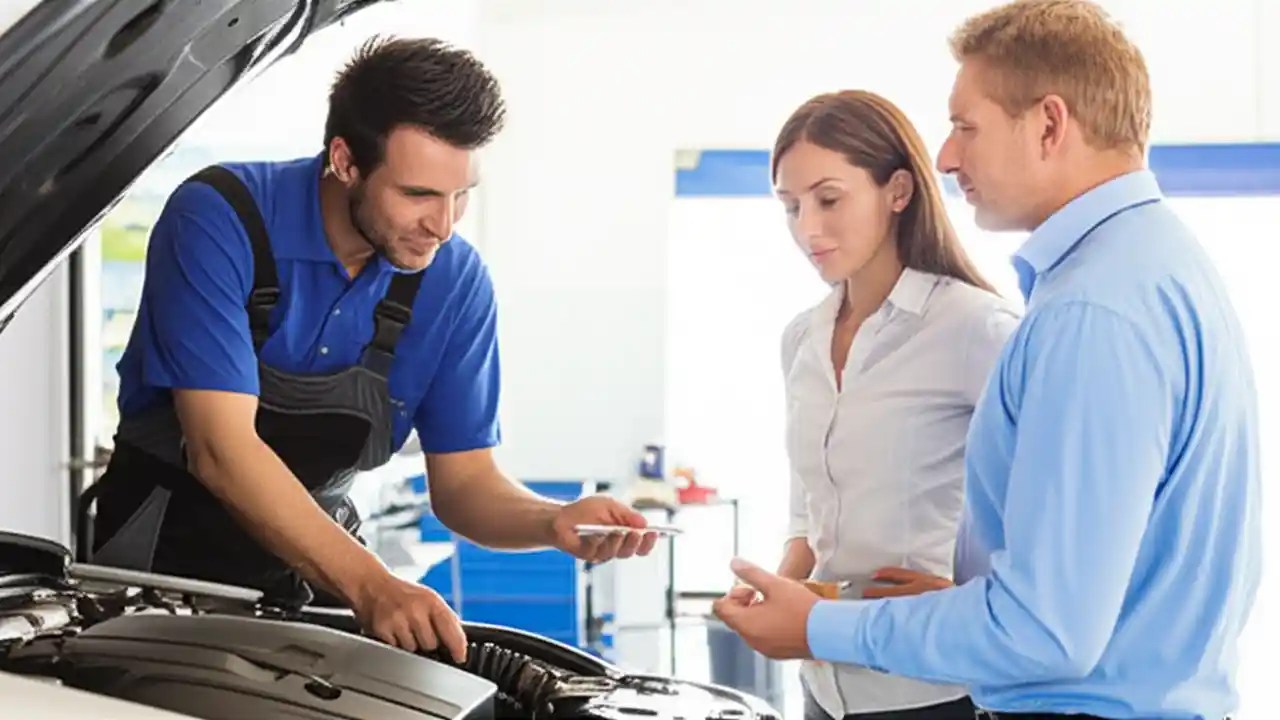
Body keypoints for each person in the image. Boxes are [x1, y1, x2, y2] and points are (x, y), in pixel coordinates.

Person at [715, 2, 1261, 719]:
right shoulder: (1151, 267)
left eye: (965, 127)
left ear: (1049, 125)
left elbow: (1043, 631)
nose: (946, 157)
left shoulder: (1090, 312)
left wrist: (822, 626)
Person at [89, 36, 658, 663]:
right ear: (345, 161)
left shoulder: (454, 281)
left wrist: (551, 521)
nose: (443, 225)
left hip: (318, 579)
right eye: (418, 195)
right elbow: (220, 451)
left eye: (461, 194)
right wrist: (373, 586)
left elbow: (465, 483)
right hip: (159, 567)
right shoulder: (219, 220)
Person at [770, 90, 1020, 720]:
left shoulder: (976, 329)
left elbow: (1053, 514)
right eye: (791, 206)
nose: (807, 228)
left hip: (931, 689)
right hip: (823, 688)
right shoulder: (802, 338)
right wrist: (776, 592)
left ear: (899, 191)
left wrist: (969, 596)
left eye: (829, 200)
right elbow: (809, 516)